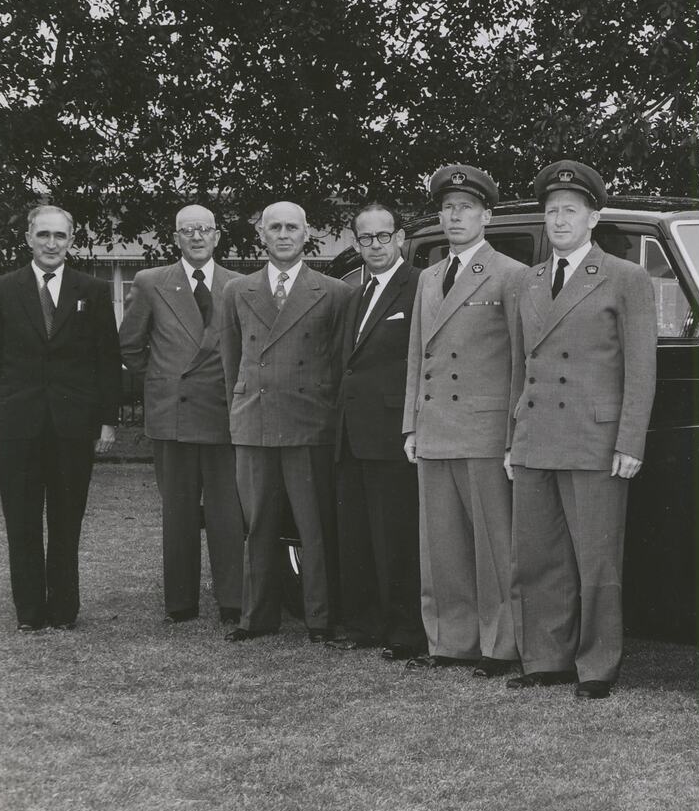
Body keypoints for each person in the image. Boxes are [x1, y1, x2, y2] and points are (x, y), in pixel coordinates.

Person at [505, 161, 656, 699]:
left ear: (594, 217)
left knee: (596, 563)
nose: (559, 220)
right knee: (537, 557)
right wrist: (511, 439)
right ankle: (546, 658)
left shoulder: (626, 277)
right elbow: (520, 368)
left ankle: (596, 665)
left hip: (595, 440)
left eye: (570, 210)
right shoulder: (529, 280)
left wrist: (630, 442)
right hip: (536, 435)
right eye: (551, 212)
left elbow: (641, 369)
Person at [402, 165, 526, 673]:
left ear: (487, 216)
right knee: (442, 548)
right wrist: (412, 423)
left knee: (494, 548)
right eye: (448, 207)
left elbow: (522, 361)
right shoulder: (430, 275)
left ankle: (500, 646)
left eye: (466, 208)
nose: (455, 216)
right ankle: (450, 642)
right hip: (434, 428)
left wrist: (513, 435)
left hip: (483, 429)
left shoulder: (511, 274)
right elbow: (417, 354)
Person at [219, 201, 355, 643]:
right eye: (274, 227)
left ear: (306, 233)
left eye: (291, 227)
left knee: (313, 524)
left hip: (308, 421)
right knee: (258, 523)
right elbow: (231, 360)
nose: (282, 234)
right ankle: (256, 617)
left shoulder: (334, 291)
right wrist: (239, 410)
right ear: (261, 234)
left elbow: (337, 365)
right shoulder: (238, 290)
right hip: (254, 420)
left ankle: (320, 617)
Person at [0, 204, 121, 631]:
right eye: (43, 235)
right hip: (18, 425)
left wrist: (106, 420)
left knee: (67, 519)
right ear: (28, 238)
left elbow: (107, 358)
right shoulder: (0, 289)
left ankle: (63, 610)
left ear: (71, 240)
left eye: (59, 236)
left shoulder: (93, 290)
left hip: (72, 426)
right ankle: (29, 612)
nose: (51, 243)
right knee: (21, 519)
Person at [118, 204, 245, 625]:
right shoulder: (151, 282)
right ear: (175, 238)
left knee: (228, 513)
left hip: (224, 416)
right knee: (179, 511)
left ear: (217, 236)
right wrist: (164, 379)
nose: (196, 237)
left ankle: (232, 599)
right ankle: (181, 602)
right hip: (172, 415)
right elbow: (131, 346)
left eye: (203, 230)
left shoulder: (240, 285)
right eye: (187, 230)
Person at [329, 202, 426, 661]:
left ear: (400, 237)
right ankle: (365, 624)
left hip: (392, 433)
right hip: (350, 433)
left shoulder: (420, 285)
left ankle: (405, 632)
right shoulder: (357, 293)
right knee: (358, 536)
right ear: (355, 242)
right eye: (365, 238)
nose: (375, 246)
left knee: (397, 537)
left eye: (383, 237)